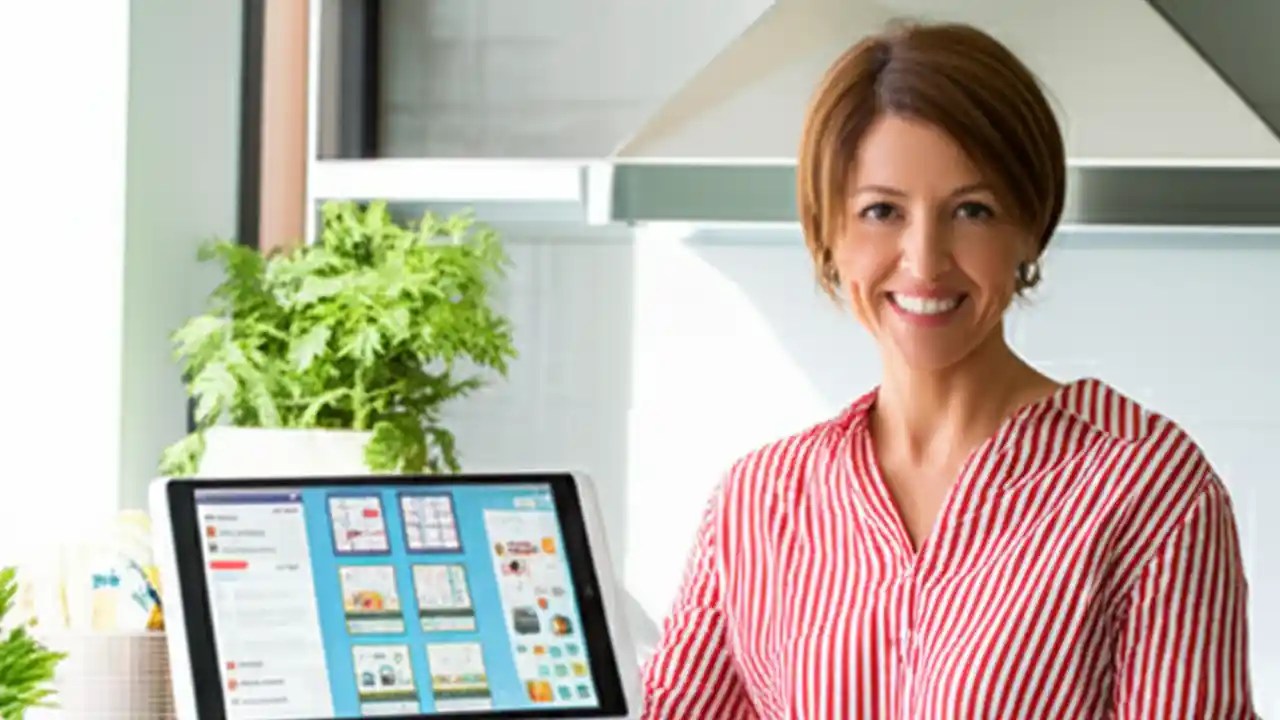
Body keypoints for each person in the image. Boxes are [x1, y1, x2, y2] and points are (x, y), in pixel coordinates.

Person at [640, 20, 1257, 720]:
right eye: (881, 211)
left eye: (972, 210)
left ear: (1030, 226)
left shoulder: (1148, 489)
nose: (926, 260)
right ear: (828, 234)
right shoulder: (758, 503)